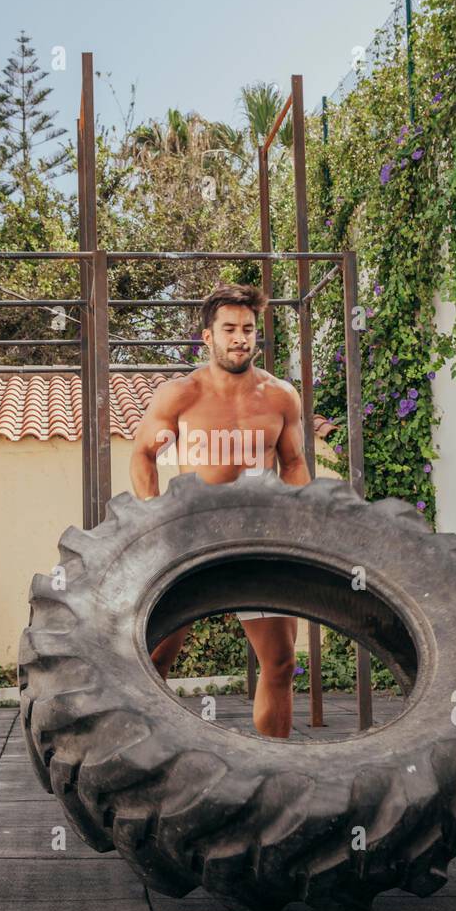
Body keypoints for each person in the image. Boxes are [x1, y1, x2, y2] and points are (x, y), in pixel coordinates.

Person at [129, 282, 310, 738]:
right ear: (207, 337)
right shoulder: (180, 394)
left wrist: (302, 527)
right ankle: (143, 754)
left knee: (281, 662)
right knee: (152, 657)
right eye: (229, 328)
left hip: (258, 537)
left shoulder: (281, 396)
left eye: (248, 328)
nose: (240, 338)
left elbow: (293, 464)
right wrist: (153, 520)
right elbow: (142, 456)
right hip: (190, 538)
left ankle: (274, 768)